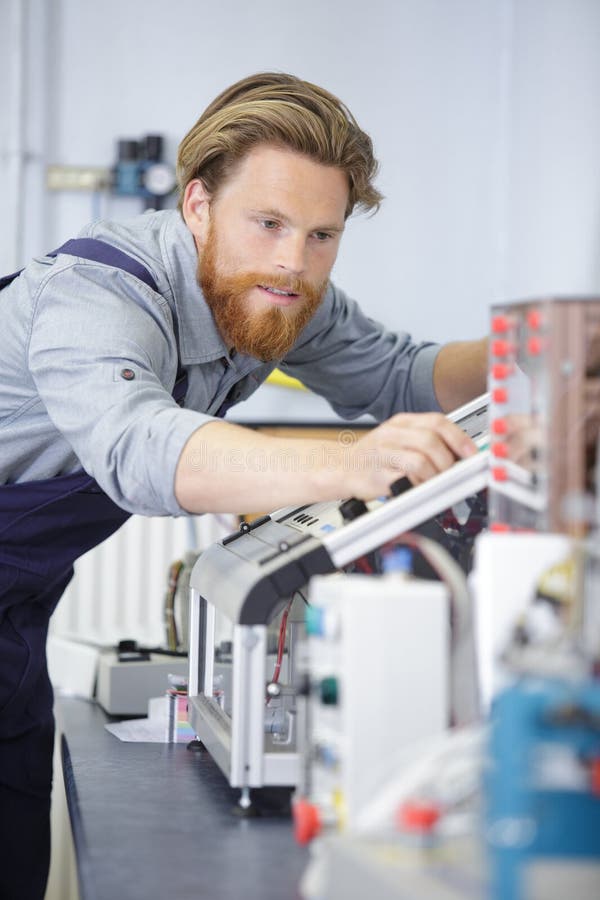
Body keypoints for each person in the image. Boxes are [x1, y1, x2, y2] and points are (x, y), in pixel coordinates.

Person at [0, 71, 487, 897]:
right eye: (268, 223)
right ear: (198, 205)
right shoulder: (93, 294)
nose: (294, 262)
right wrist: (351, 460)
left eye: (323, 235)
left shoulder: (277, 292)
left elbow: (402, 373)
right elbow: (139, 447)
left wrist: (548, 350)